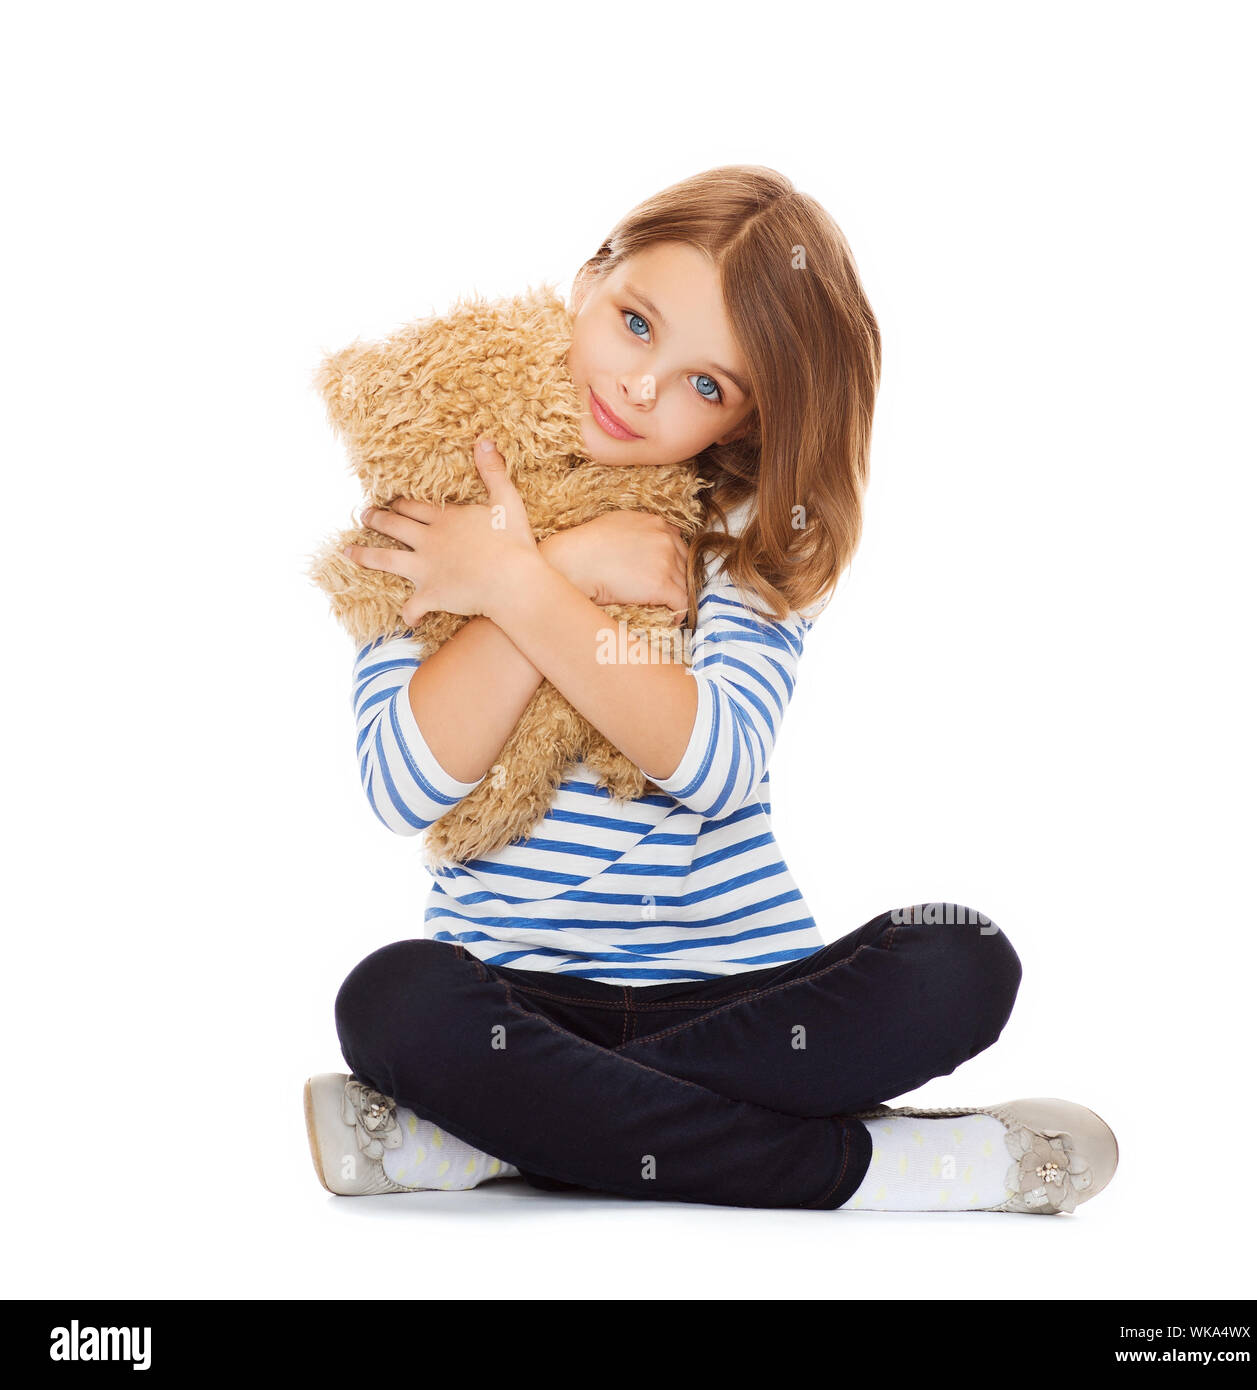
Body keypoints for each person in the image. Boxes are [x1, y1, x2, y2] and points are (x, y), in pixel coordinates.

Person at [303, 165, 1118, 1213]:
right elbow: (403, 785)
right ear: (589, 277)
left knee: (960, 955)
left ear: (740, 422)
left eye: (706, 384)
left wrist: (515, 584)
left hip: (745, 997)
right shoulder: (433, 495)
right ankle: (859, 1169)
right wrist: (554, 568)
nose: (644, 386)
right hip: (520, 1003)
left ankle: (498, 1139)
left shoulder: (744, 541)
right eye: (636, 323)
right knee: (390, 999)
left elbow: (716, 763)